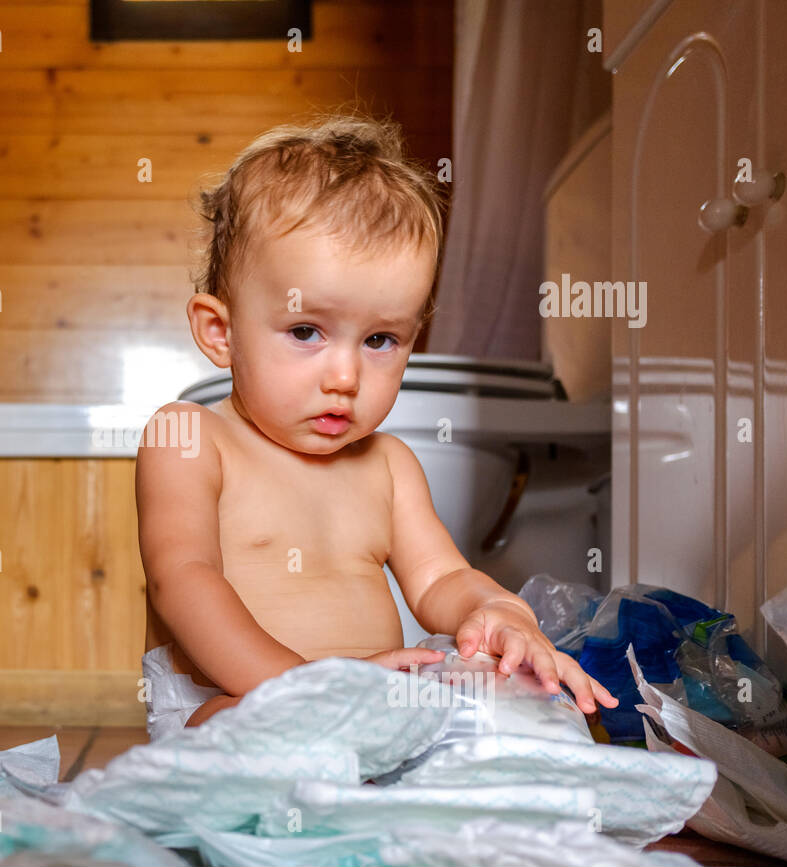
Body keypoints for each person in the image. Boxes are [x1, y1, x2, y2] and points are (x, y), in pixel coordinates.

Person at [136, 113, 618, 741]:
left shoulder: (387, 464)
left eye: (381, 339)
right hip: (231, 695)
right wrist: (310, 690)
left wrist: (498, 613)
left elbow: (440, 578)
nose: (346, 376)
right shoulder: (190, 439)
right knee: (238, 729)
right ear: (220, 332)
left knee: (521, 699)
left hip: (377, 702)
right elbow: (183, 582)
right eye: (306, 331)